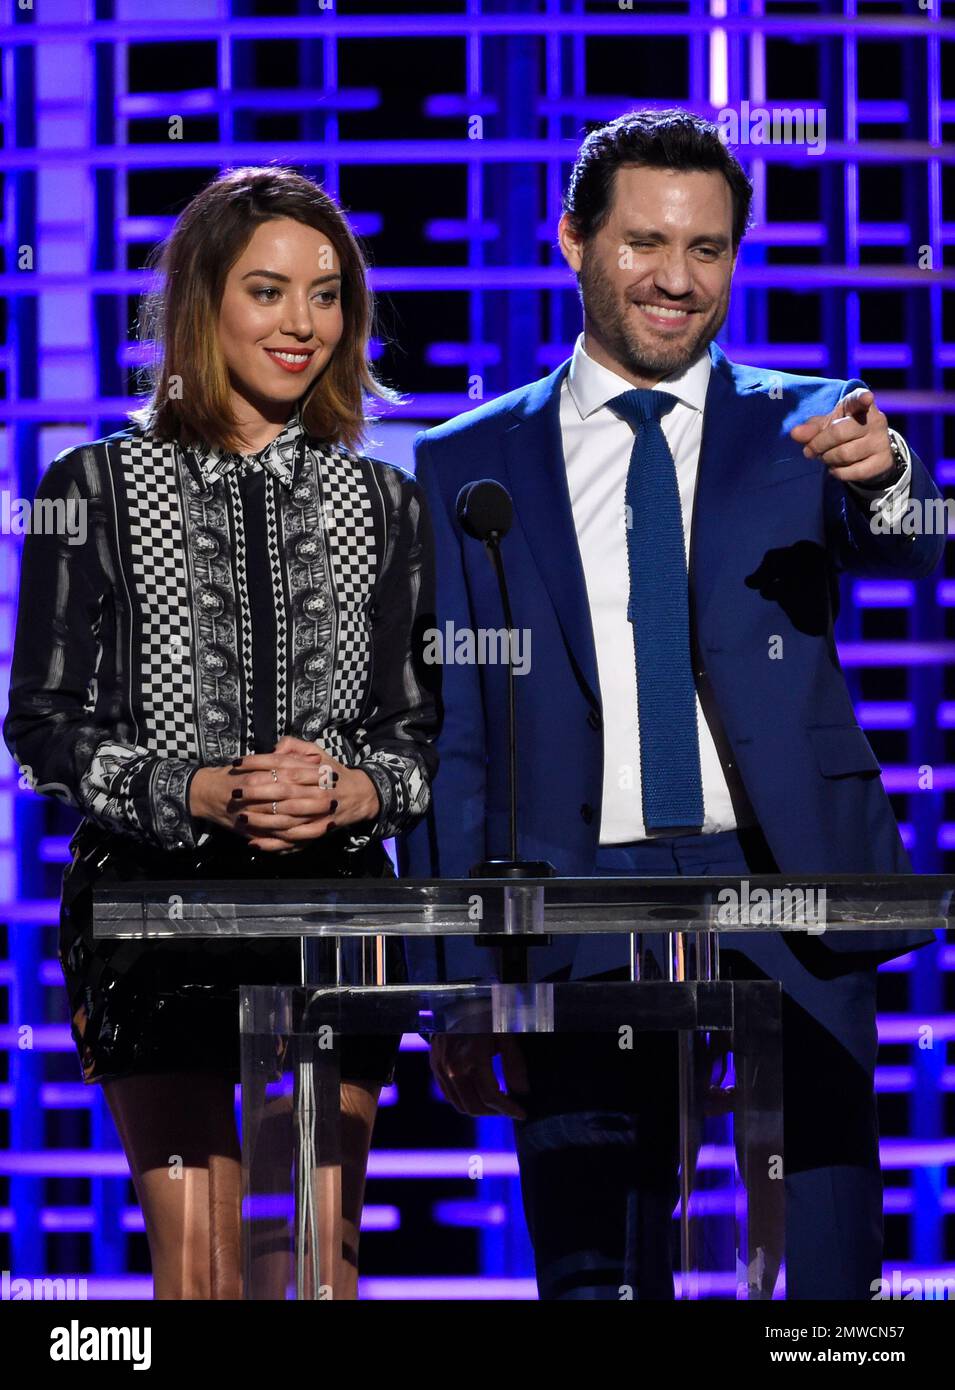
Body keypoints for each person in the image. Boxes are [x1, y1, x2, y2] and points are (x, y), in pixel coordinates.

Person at [399, 108, 944, 1300]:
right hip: (568, 893)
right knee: (601, 1265)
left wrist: (894, 477)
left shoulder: (810, 422)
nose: (676, 280)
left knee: (829, 1274)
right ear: (572, 242)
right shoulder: (465, 462)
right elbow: (455, 734)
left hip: (786, 881)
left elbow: (906, 547)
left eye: (706, 250)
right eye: (645, 243)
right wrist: (454, 981)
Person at [4, 165, 439, 1299]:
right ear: (203, 299)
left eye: (328, 294)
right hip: (156, 908)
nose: (303, 323)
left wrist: (355, 791)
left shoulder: (388, 503)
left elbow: (417, 732)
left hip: (338, 905)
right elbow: (43, 723)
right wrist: (198, 791)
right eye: (268, 290)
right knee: (199, 1274)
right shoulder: (89, 486)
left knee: (314, 1260)